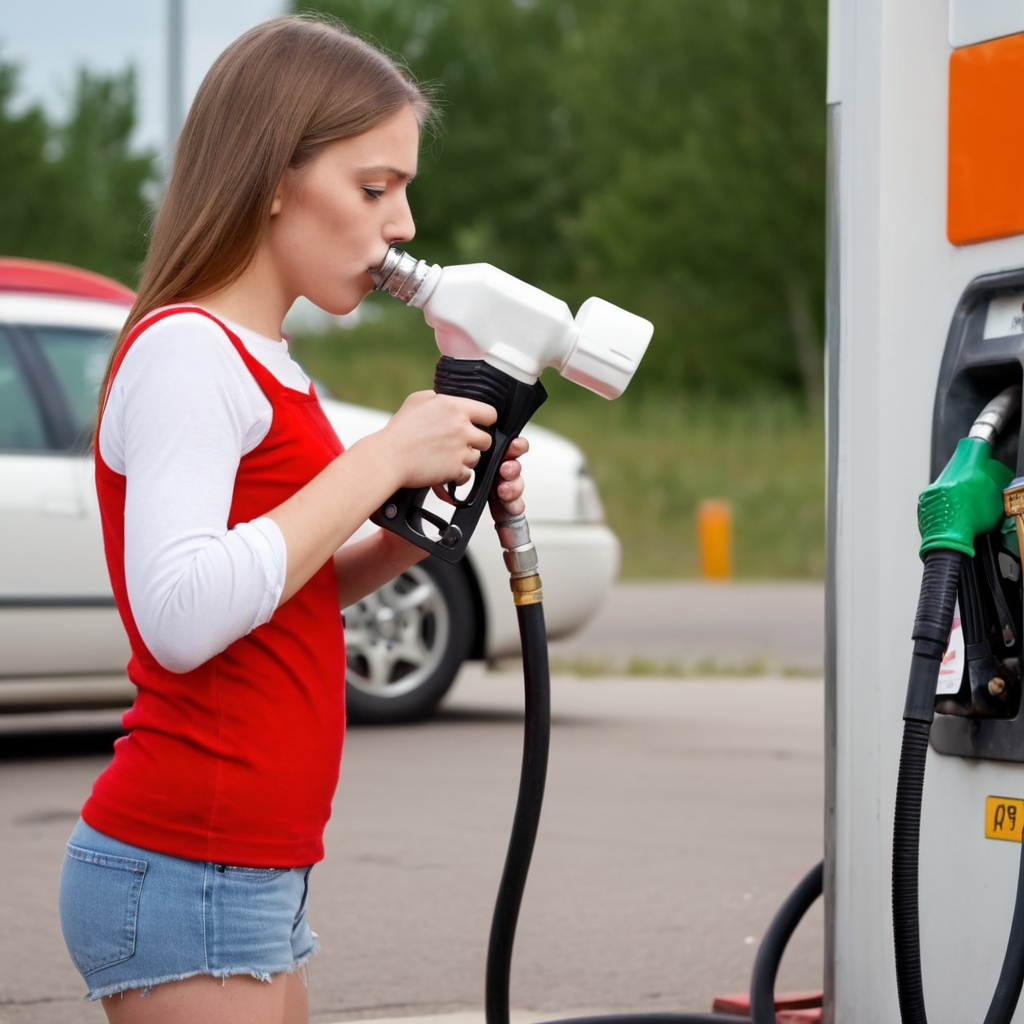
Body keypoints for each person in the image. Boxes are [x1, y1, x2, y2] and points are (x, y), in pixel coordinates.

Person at [58, 14, 528, 1024]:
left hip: (245, 867)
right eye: (374, 188)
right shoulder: (186, 351)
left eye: (403, 189)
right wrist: (380, 458)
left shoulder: (263, 362)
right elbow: (182, 615)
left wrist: (411, 523)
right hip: (189, 862)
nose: (402, 223)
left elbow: (284, 589)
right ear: (273, 178)